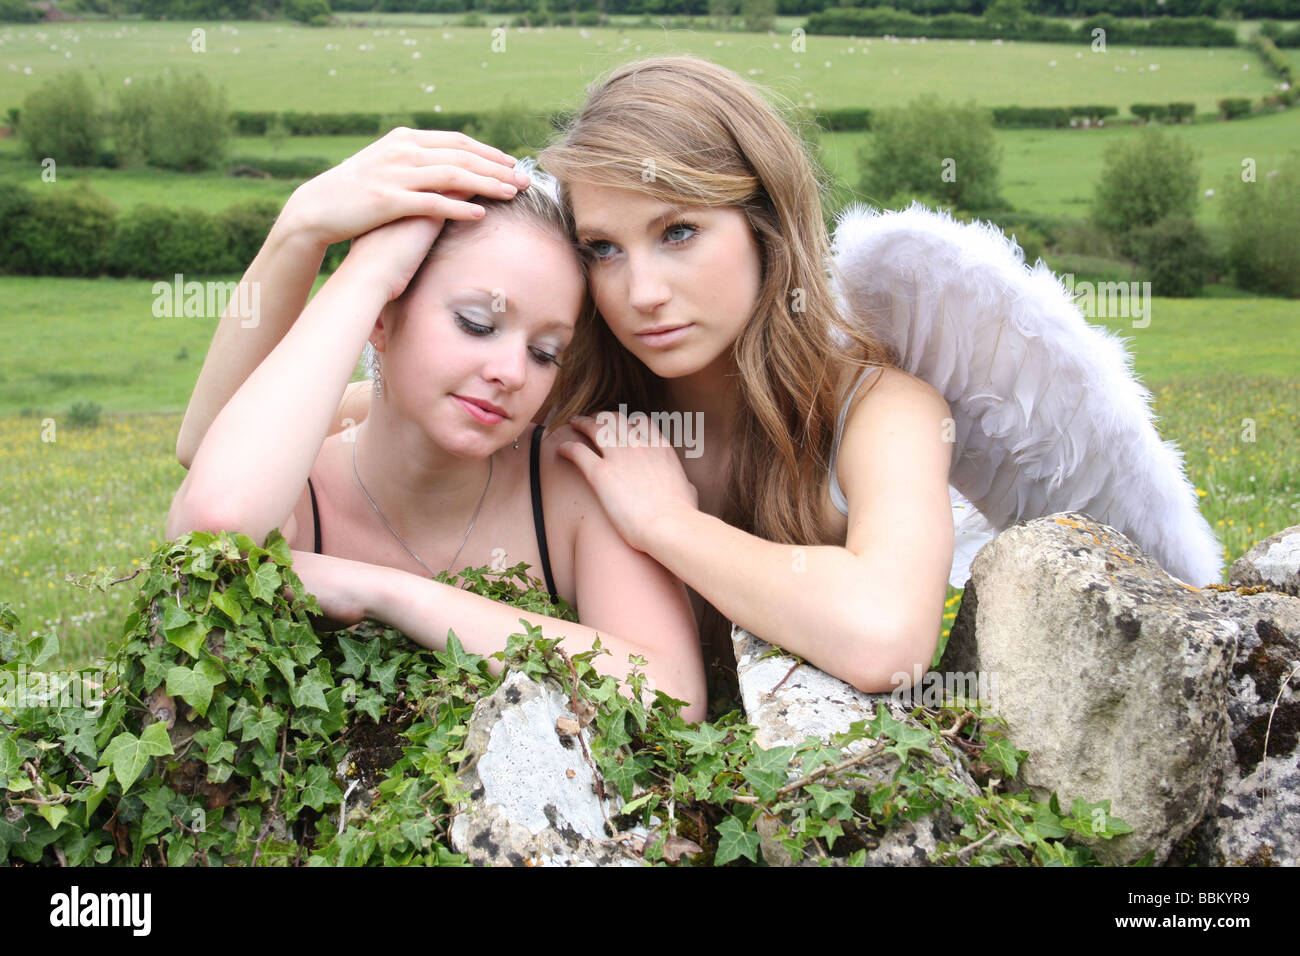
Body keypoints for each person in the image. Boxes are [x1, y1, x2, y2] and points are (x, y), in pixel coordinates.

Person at [167, 128, 706, 720]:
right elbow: (214, 527)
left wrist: (384, 593)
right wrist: (347, 260)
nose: (511, 373)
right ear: (380, 318)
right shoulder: (293, 486)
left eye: (546, 352)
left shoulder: (573, 482)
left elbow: (672, 697)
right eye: (476, 323)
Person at [536, 56, 955, 695]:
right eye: (603, 248)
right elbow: (359, 425)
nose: (641, 293)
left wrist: (666, 523)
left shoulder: (881, 411)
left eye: (677, 231)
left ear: (766, 228)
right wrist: (320, 228)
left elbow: (887, 637)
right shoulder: (558, 392)